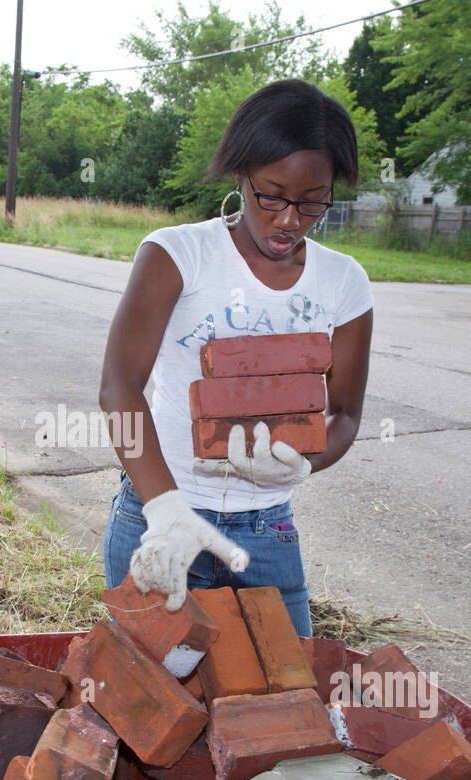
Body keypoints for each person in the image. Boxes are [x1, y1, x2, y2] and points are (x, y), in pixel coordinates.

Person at [98, 79, 374, 638]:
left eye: (313, 201)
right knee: (154, 698)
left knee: (285, 695)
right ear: (241, 176)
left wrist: (306, 463)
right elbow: (118, 390)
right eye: (271, 195)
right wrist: (165, 509)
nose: (289, 220)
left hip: (268, 532)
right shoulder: (178, 255)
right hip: (161, 515)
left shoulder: (344, 282)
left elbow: (344, 413)